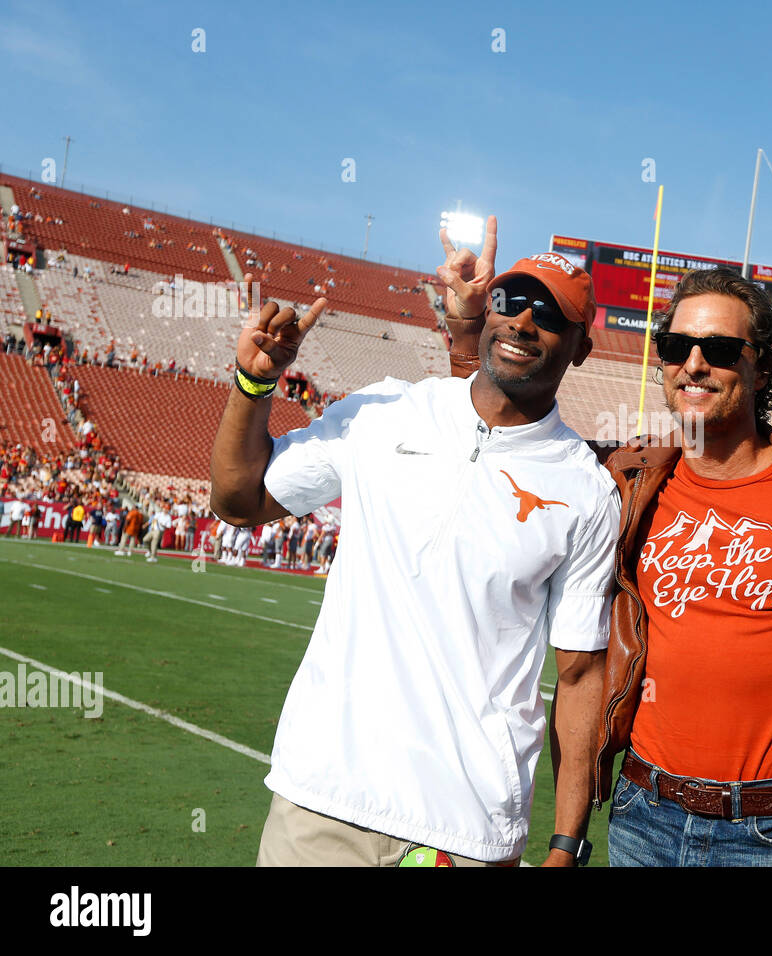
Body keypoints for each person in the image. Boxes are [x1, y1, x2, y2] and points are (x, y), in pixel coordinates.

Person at [211, 216, 619, 868]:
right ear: (487, 313)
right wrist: (255, 383)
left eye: (549, 316)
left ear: (579, 349)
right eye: (511, 302)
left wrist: (566, 844)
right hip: (323, 798)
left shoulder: (586, 491)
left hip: (466, 826)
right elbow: (238, 500)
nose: (522, 322)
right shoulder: (383, 411)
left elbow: (581, 677)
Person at [448, 267, 772, 866]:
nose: (694, 364)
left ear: (764, 368)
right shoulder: (627, 481)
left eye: (721, 350)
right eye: (678, 347)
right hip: (642, 817)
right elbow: (499, 444)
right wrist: (466, 333)